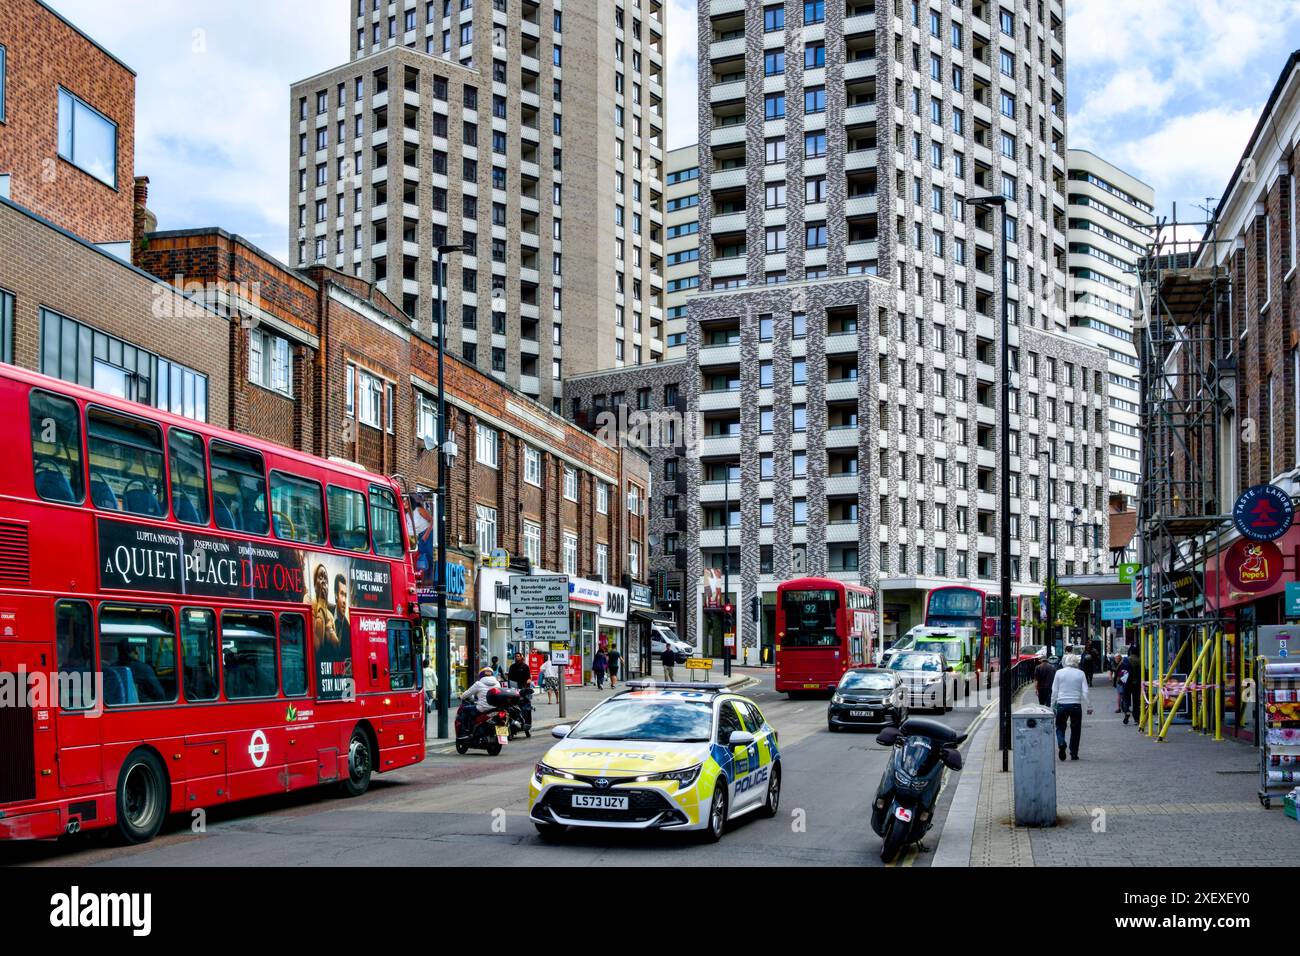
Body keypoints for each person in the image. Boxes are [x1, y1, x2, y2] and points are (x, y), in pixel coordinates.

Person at [1050, 654, 1092, 761]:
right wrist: (1089, 705)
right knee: (1076, 729)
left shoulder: (1059, 673)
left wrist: (1052, 706)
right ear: (1076, 662)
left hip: (1061, 704)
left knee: (1060, 726)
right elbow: (1085, 691)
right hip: (1076, 705)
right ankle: (1074, 752)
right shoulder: (1081, 673)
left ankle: (1061, 742)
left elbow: (1054, 691)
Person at [457, 666, 501, 736]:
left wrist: (461, 696)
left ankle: (464, 731)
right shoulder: (497, 683)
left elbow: (468, 693)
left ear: (481, 674)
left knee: (464, 710)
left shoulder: (478, 683)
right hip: (494, 708)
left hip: (482, 708)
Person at [1112, 652, 1134, 723]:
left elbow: (1117, 674)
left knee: (1122, 696)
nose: (1116, 659)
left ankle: (1125, 710)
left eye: (1117, 658)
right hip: (1130, 684)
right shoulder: (1130, 665)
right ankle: (1126, 709)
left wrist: (1115, 683)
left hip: (1122, 683)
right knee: (1127, 697)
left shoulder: (1121, 665)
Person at [333, 574, 352, 651]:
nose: (344, 601)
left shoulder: (348, 629)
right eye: (341, 594)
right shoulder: (326, 611)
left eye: (345, 596)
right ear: (336, 595)